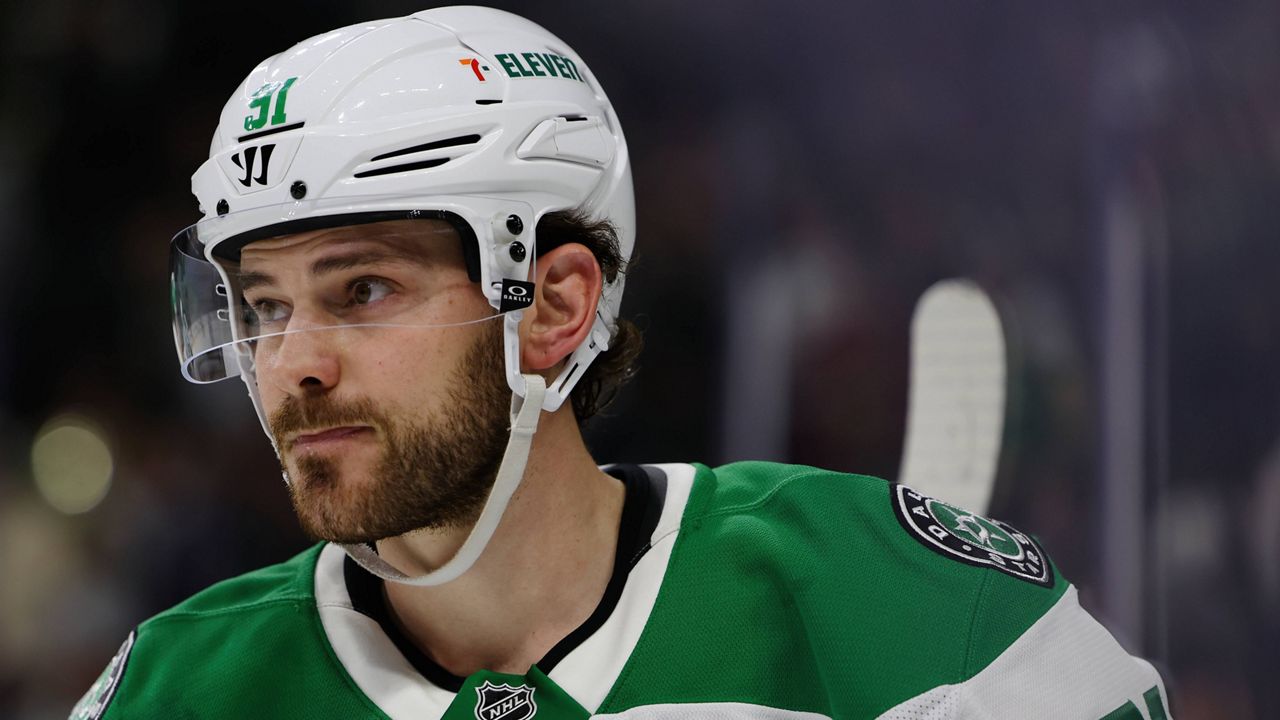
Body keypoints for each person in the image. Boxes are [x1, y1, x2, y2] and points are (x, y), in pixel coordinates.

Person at [73, 7, 1171, 719]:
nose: (290, 364)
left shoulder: (906, 622)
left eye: (362, 290)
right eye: (262, 306)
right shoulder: (170, 692)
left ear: (553, 305)